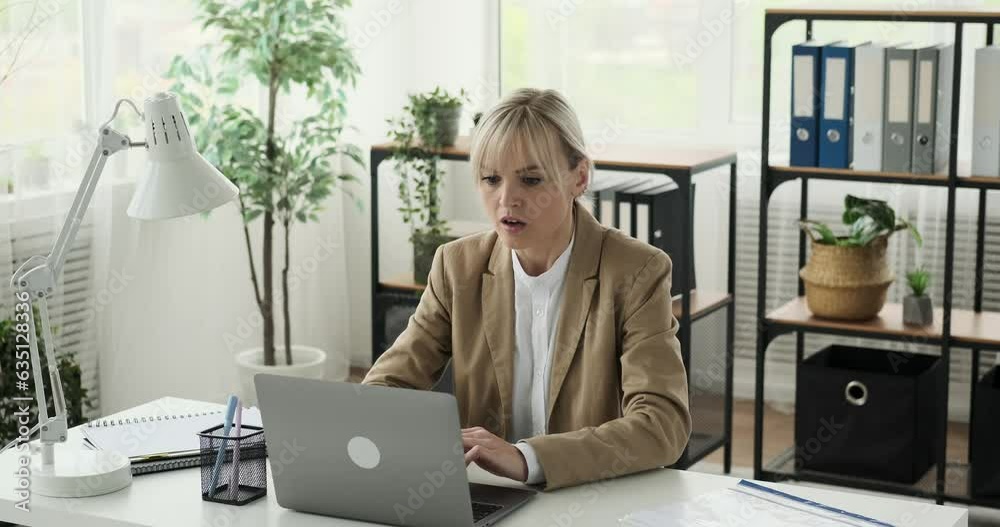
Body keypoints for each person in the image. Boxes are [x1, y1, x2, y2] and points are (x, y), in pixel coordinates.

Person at [363, 88, 691, 491]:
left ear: (579, 177)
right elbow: (387, 387)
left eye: (531, 180)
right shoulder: (457, 266)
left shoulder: (636, 271)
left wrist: (526, 458)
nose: (507, 199)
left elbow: (662, 425)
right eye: (490, 179)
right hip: (488, 497)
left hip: (591, 498)